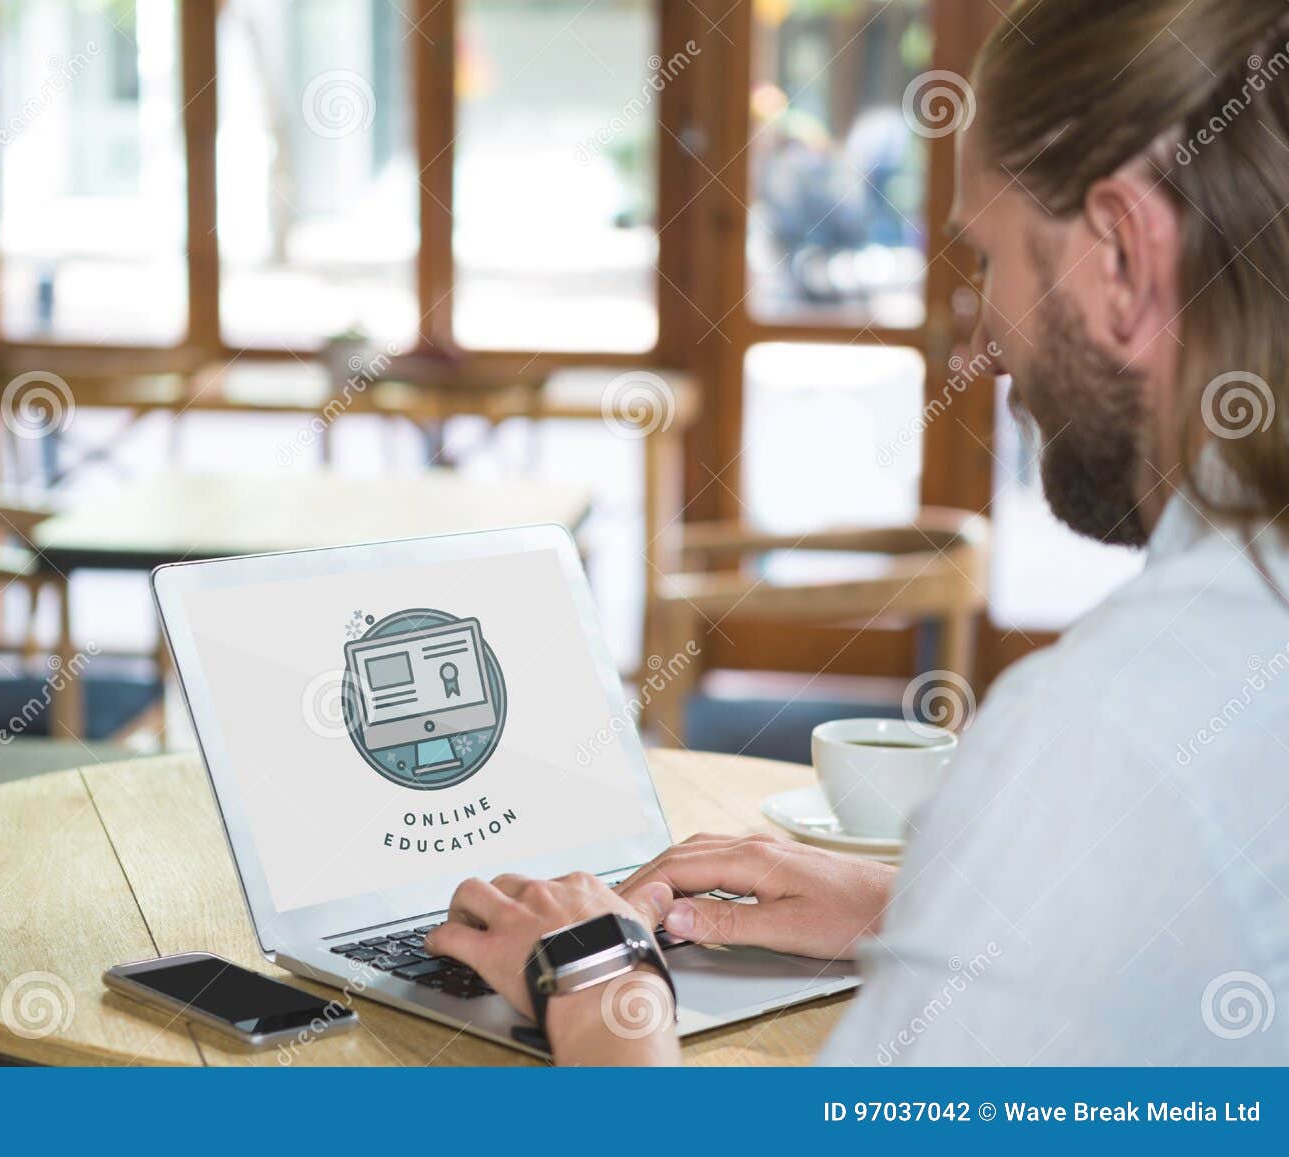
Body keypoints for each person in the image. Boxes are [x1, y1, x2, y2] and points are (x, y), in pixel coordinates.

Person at [425, 0, 1289, 1065]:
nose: (987, 340)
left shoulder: (1116, 730)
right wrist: (934, 905)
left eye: (990, 262)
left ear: (1118, 252)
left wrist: (600, 983)